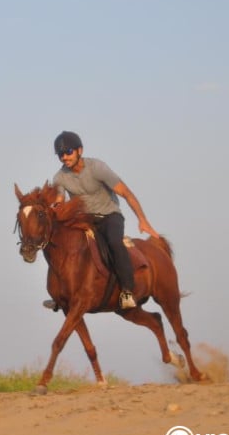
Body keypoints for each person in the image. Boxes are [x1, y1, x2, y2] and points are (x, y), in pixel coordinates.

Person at [43, 131, 160, 311]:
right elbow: (59, 200)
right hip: (85, 220)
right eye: (61, 154)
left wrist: (142, 220)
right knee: (63, 244)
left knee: (114, 242)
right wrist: (53, 208)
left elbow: (126, 193)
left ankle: (127, 290)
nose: (64, 157)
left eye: (68, 152)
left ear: (80, 150)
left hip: (109, 216)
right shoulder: (60, 177)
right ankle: (60, 294)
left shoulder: (97, 168)